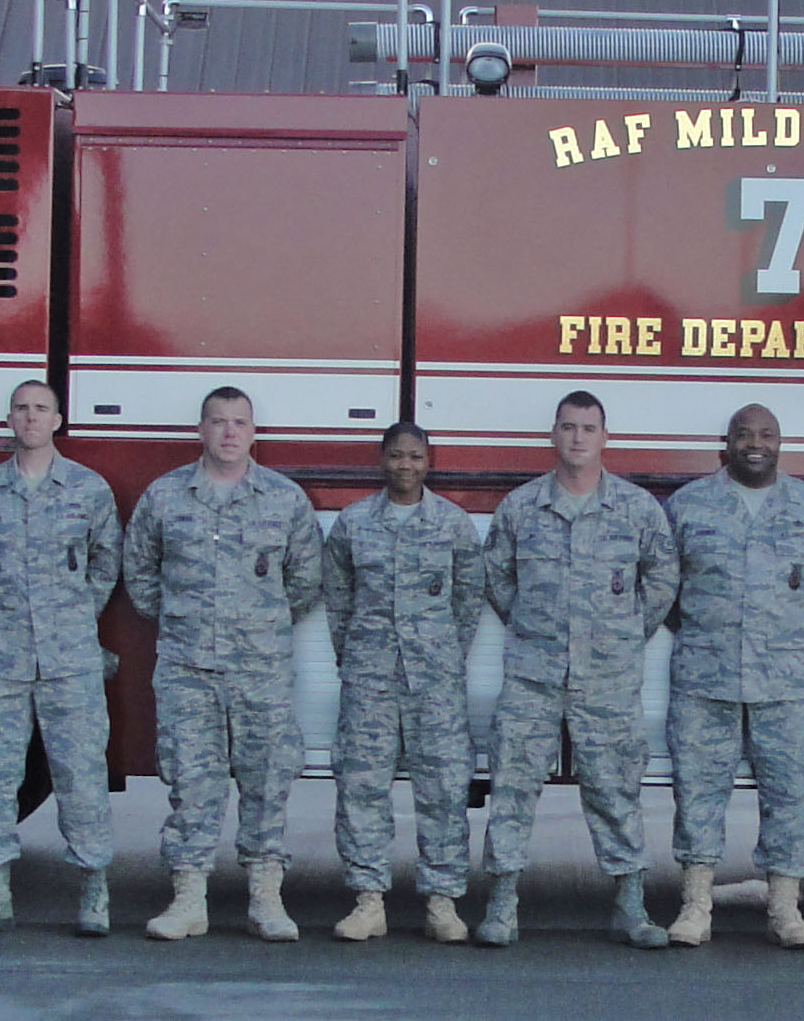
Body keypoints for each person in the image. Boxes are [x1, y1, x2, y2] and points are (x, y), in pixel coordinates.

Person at [474, 391, 681, 949]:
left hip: (608, 678)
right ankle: (501, 902)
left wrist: (623, 634)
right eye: (568, 427)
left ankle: (631, 904)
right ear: (553, 435)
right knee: (513, 787)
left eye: (589, 428)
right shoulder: (521, 508)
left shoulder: (638, 510)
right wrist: (531, 623)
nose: (578, 438)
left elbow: (662, 581)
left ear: (604, 437)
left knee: (616, 790)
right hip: (533, 675)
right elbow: (496, 579)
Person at [123, 385, 326, 942]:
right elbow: (139, 574)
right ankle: (189, 900)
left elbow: (305, 581)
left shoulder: (284, 500)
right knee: (191, 783)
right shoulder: (164, 498)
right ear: (201, 430)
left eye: (239, 422)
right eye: (218, 421)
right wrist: (183, 621)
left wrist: (257, 627)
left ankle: (266, 900)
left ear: (254, 432)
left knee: (266, 782)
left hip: (261, 669)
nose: (229, 432)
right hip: (187, 669)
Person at [661, 402, 804, 948]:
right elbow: (666, 591)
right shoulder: (688, 506)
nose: (754, 443)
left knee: (787, 798)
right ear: (727, 442)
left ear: (780, 443)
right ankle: (695, 906)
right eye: (744, 434)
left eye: (766, 434)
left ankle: (786, 910)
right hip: (704, 680)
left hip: (784, 684)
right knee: (697, 795)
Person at [0, 379, 122, 937]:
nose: (30, 417)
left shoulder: (89, 490)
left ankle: (93, 892)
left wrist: (72, 616)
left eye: (41, 409)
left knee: (82, 776)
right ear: (9, 420)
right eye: (21, 409)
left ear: (57, 420)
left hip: (70, 658)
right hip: (2, 657)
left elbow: (105, 564)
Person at [323, 421, 485, 944]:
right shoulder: (352, 524)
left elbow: (468, 599)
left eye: (415, 457)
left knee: (442, 789)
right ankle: (368, 901)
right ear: (381, 460)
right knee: (362, 788)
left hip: (434, 683)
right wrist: (356, 656)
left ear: (428, 462)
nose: (406, 466)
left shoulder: (453, 524)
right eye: (396, 456)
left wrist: (443, 654)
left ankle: (442, 902)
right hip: (369, 679)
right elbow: (337, 599)